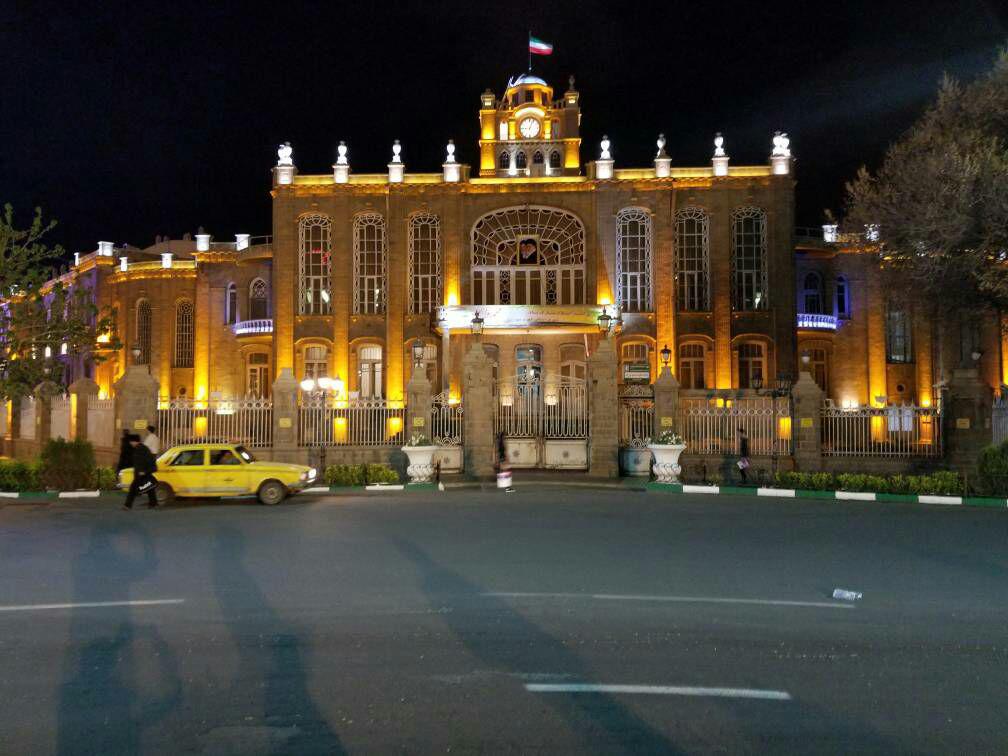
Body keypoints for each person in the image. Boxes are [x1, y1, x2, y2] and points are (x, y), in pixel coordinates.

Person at [123, 433, 159, 510]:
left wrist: (142, 471)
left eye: (131, 442)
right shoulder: (141, 448)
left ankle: (127, 505)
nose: (130, 443)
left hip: (141, 473)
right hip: (143, 472)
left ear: (135, 441)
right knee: (149, 487)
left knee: (133, 489)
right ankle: (154, 503)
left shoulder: (140, 449)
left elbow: (142, 461)